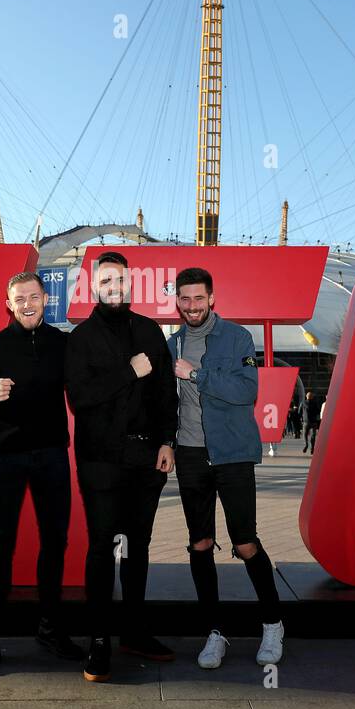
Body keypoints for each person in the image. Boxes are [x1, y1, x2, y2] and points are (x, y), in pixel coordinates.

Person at [0, 271, 82, 672]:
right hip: (5, 456)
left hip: (51, 456)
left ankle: (50, 628)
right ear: (8, 304)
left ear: (46, 299)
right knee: (0, 545)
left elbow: (86, 389)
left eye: (33, 296)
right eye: (19, 299)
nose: (27, 304)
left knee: (55, 541)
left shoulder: (63, 344)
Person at [64, 250, 177, 683]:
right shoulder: (81, 337)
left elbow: (167, 392)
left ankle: (134, 631)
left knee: (137, 547)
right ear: (94, 286)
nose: (114, 288)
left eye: (121, 281)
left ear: (131, 284)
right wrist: (129, 372)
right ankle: (99, 641)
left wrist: (167, 441)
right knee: (101, 549)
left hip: (146, 460)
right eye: (106, 281)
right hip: (100, 461)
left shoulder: (150, 331)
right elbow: (80, 398)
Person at [167, 267, 283, 670]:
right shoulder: (172, 343)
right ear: (177, 300)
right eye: (185, 298)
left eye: (199, 298)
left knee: (245, 542)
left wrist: (196, 374)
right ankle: (215, 633)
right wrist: (167, 443)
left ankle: (272, 623)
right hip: (190, 455)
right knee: (199, 543)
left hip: (231, 453)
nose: (192, 306)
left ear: (212, 299)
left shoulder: (237, 337)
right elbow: (168, 403)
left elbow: (245, 390)